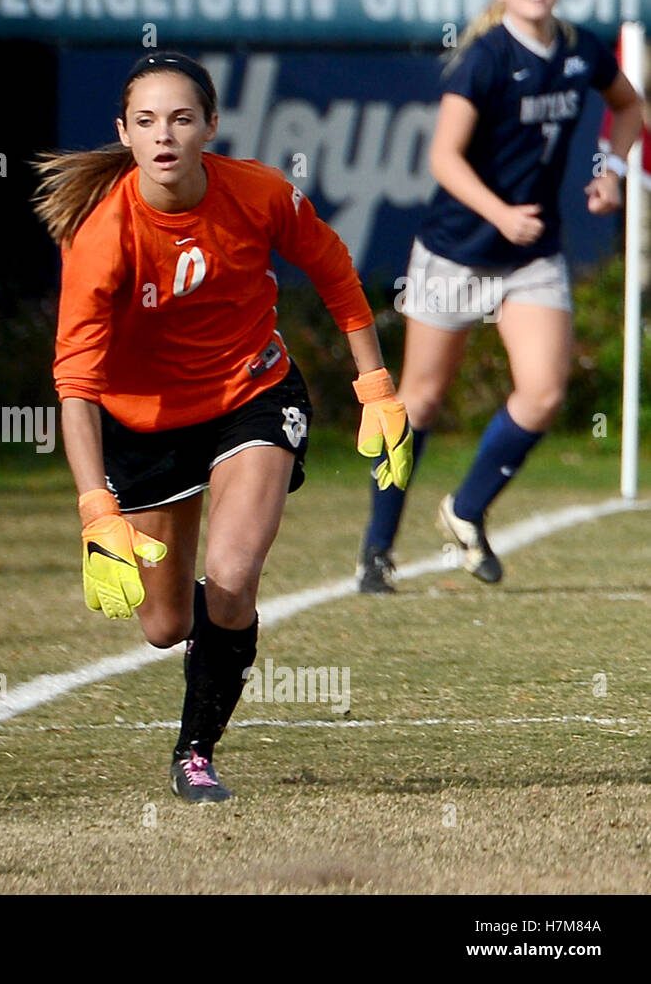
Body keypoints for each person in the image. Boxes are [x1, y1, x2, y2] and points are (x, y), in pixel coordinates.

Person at [32, 51, 412, 803]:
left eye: (180, 118)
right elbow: (75, 384)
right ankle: (205, 640)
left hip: (253, 394)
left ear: (211, 124)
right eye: (145, 122)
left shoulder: (258, 192)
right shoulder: (102, 234)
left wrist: (376, 387)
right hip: (146, 426)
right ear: (124, 132)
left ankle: (195, 752)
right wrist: (94, 507)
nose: (164, 135)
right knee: (164, 626)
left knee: (233, 580)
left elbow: (335, 271)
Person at [357, 0, 644, 592]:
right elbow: (443, 156)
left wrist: (612, 171)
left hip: (531, 255)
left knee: (543, 393)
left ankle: (465, 510)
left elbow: (629, 106)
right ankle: (377, 549)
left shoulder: (578, 49)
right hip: (457, 249)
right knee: (421, 401)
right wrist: (499, 213)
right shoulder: (485, 57)